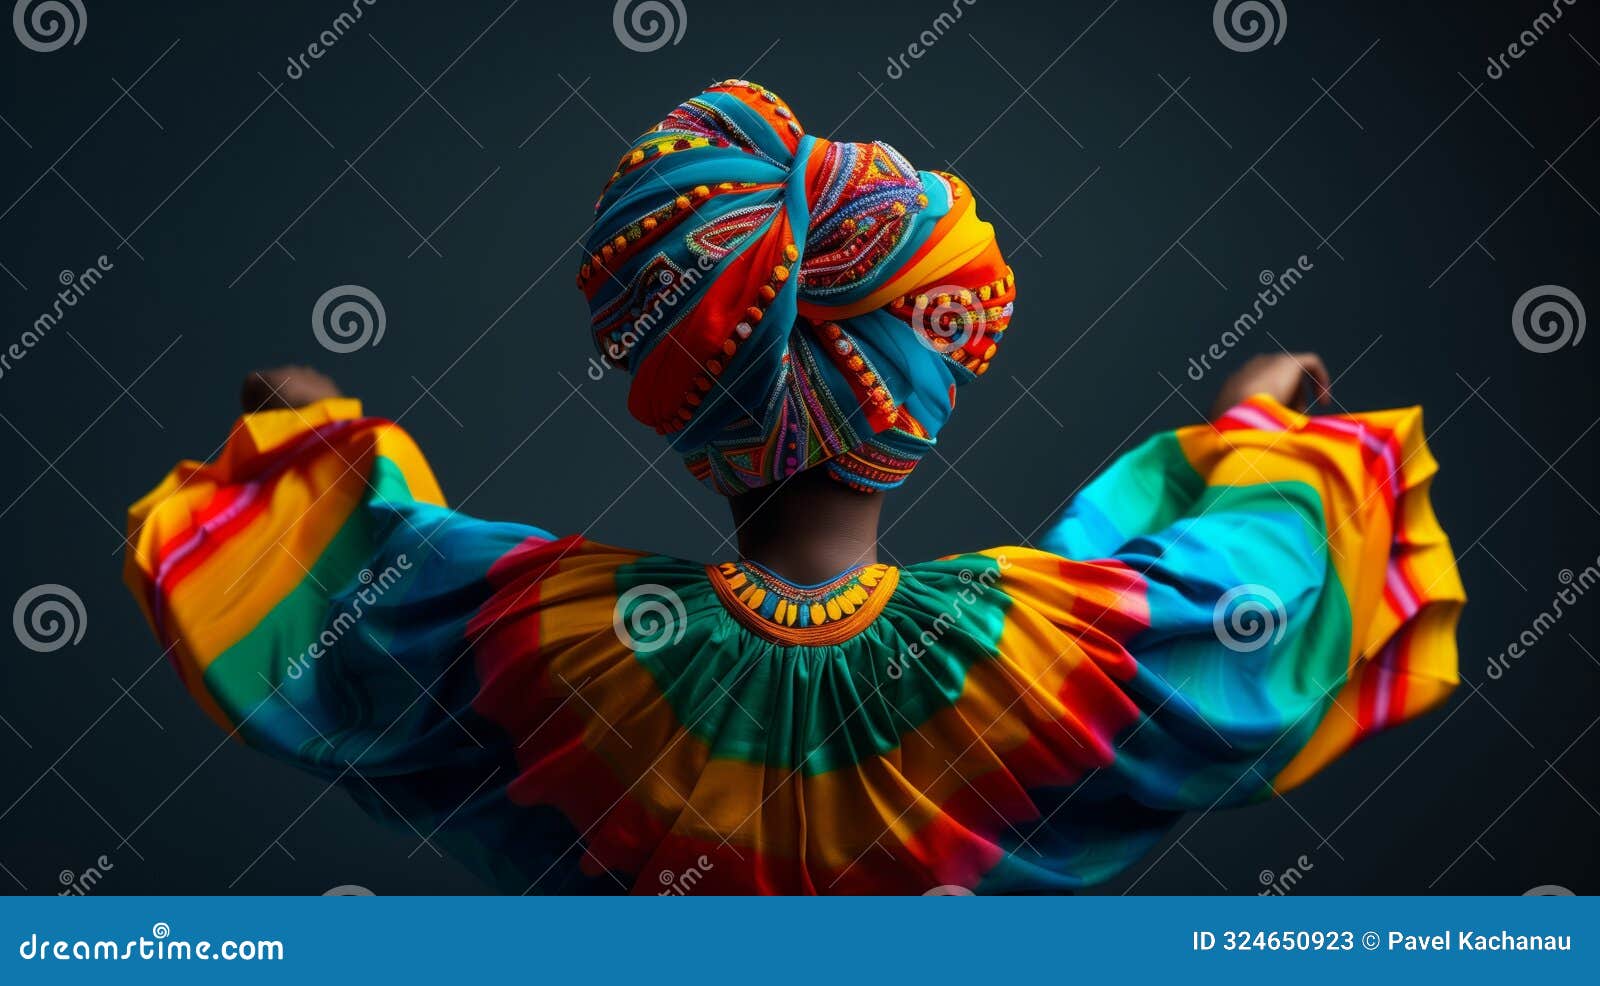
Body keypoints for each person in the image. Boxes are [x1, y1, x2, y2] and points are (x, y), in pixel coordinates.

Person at [124, 81, 1463, 895]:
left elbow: (377, 577)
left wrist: (310, 431)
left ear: (686, 402)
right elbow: (1248, 591)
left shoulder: (550, 644)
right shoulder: (1047, 650)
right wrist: (1255, 426)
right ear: (923, 396)